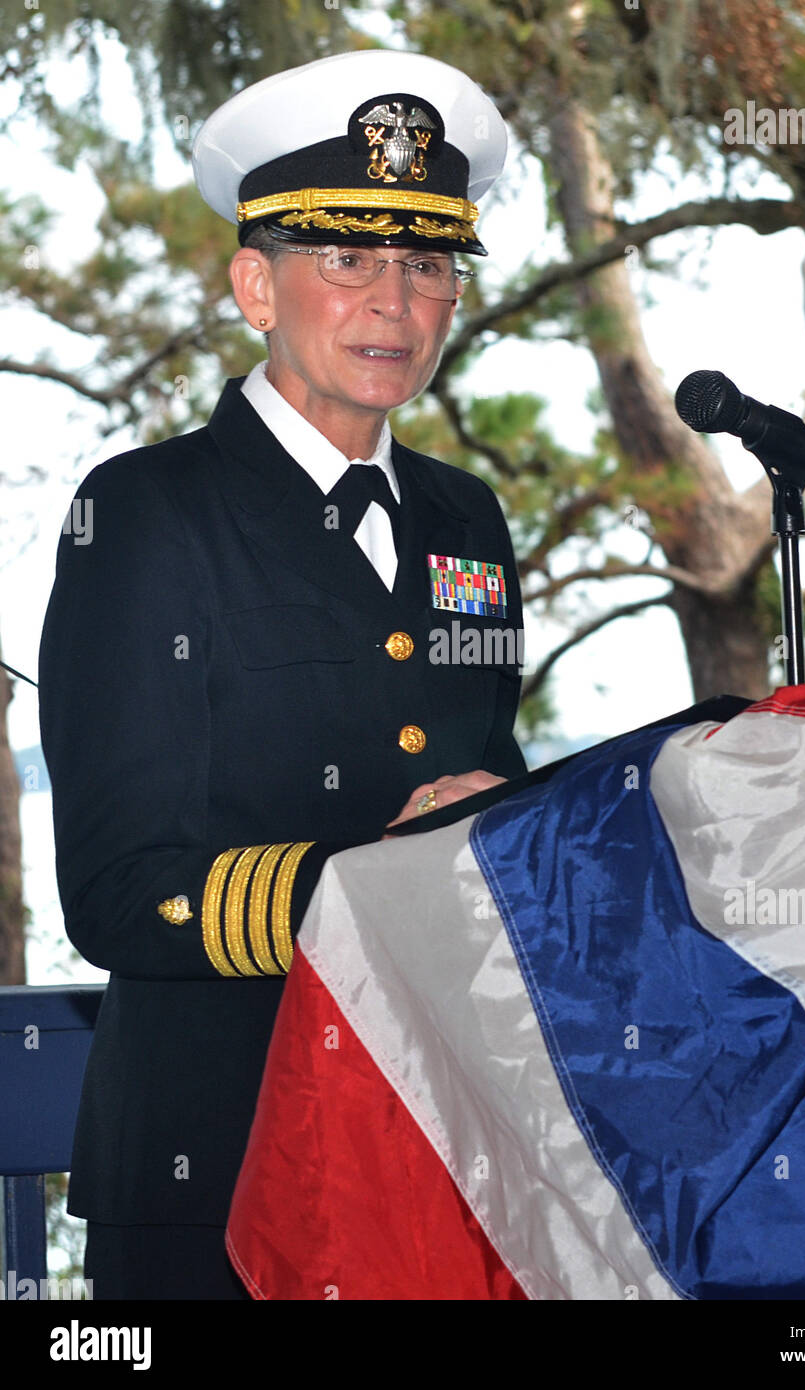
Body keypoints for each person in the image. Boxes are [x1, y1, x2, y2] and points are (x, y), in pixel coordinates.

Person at [38, 49, 526, 1299]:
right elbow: (115, 890)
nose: (392, 301)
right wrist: (381, 881)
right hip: (219, 1169)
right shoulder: (146, 512)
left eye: (425, 264)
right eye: (347, 259)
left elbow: (491, 782)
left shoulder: (465, 519)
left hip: (430, 1142)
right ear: (256, 284)